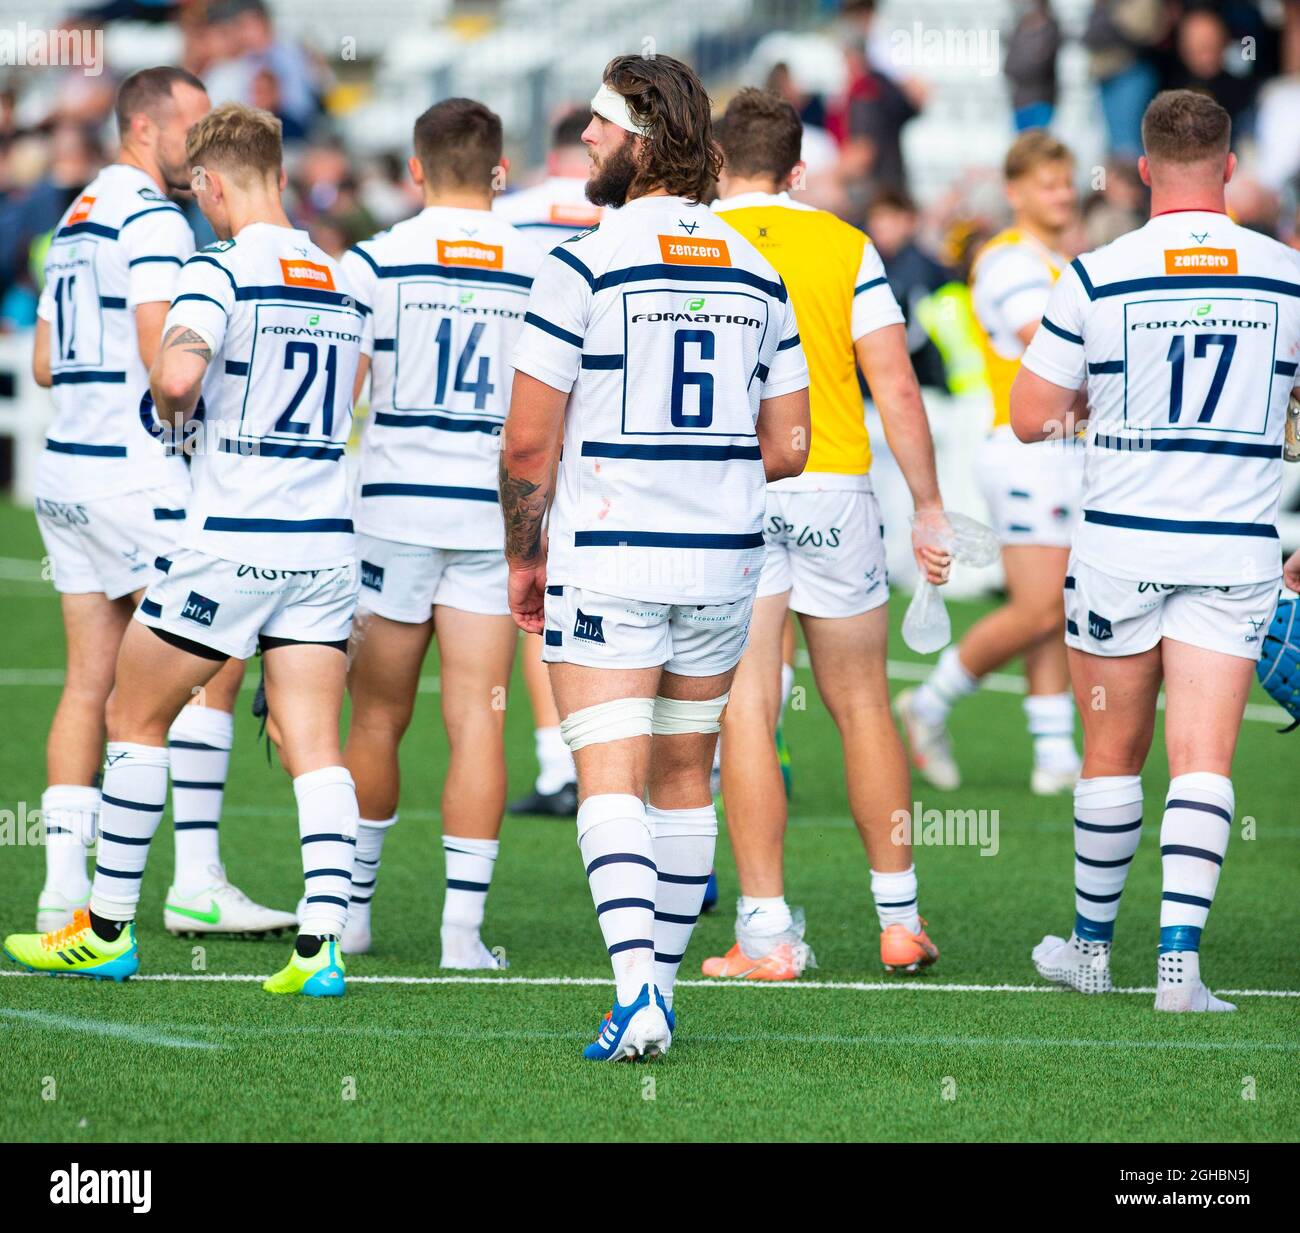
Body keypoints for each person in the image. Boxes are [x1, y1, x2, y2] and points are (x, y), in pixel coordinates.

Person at [5, 102, 366, 997]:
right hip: (324, 543)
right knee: (315, 739)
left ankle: (108, 928)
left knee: (132, 715)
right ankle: (320, 946)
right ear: (280, 173)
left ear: (208, 184)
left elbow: (173, 374)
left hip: (229, 541)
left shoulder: (218, 268)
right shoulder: (340, 277)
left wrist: (176, 414)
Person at [499, 55, 811, 1059]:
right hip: (722, 555)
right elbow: (791, 443)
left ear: (639, 143)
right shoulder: (757, 266)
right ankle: (659, 993)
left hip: (614, 550)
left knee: (610, 775)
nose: (588, 144)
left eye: (600, 127)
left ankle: (636, 993)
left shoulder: (581, 263)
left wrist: (522, 553)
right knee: (686, 774)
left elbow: (523, 445)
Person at [1011, 89, 1300, 1012]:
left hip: (1119, 546)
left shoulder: (1097, 274)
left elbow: (1027, 418)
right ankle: (1180, 967)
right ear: (1229, 168)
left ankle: (1091, 952)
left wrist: (1109, 398)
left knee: (1109, 757)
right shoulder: (1287, 274)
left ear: (1140, 171)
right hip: (1234, 546)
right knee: (1205, 760)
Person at [26, 67, 291, 939]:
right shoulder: (147, 215)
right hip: (137, 478)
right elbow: (162, 356)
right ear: (147, 126)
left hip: (67, 471)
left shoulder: (73, 215)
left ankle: (63, 892)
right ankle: (197, 880)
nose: (205, 134)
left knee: (89, 683)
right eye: (193, 119)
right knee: (209, 662)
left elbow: (41, 364)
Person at [703, 87, 950, 981]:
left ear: (716, 163)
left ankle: (767, 937)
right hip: (836, 488)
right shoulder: (845, 243)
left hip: (738, 489)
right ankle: (899, 919)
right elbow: (897, 384)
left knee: (748, 712)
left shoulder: (699, 237)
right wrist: (927, 505)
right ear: (801, 169)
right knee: (864, 707)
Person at [336, 98, 543, 963]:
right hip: (492, 514)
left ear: (415, 171)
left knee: (376, 717)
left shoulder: (372, 262)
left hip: (392, 512)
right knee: (479, 719)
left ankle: (350, 914)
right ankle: (463, 933)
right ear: (499, 170)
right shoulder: (544, 266)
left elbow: (341, 393)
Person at [897, 132, 1085, 797]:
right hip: (1026, 447)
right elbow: (1052, 349)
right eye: (1047, 183)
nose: (1061, 193)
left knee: (1056, 603)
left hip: (1063, 447)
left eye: (1066, 182)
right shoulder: (1010, 261)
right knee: (1039, 608)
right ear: (1015, 192)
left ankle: (1055, 752)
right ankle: (930, 701)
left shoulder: (1056, 257)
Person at [494, 108, 603, 818]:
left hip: (530, 410)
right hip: (607, 422)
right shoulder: (622, 216)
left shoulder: (513, 215)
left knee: (535, 599)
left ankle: (558, 763)